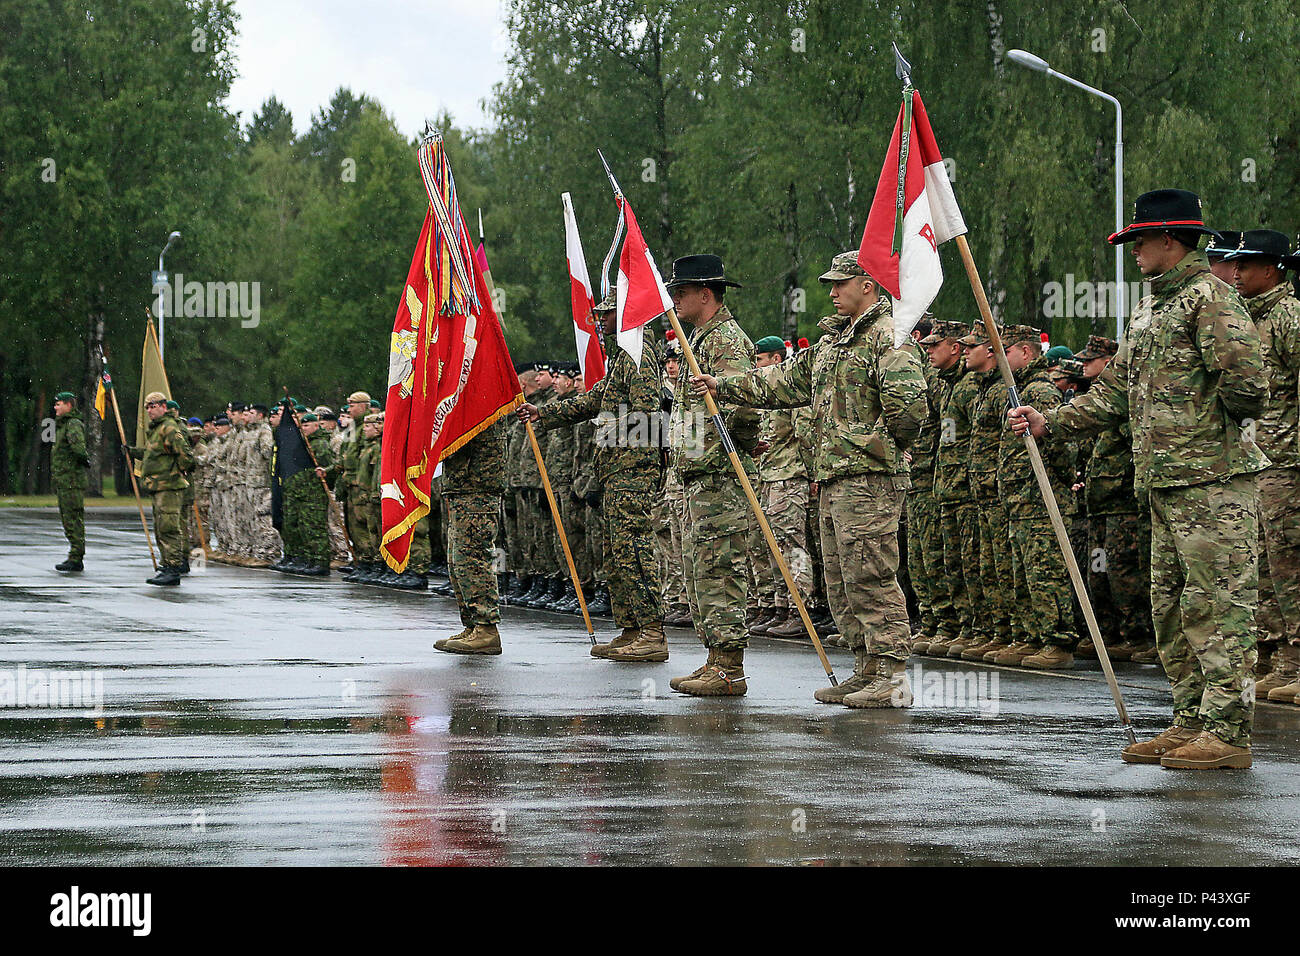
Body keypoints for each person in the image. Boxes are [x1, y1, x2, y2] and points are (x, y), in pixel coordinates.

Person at [1010, 188, 1268, 769]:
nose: (1134, 252)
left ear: (1170, 240)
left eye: (1140, 241)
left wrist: (1204, 433)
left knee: (1219, 605)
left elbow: (1249, 388)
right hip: (1162, 483)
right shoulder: (1152, 309)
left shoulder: (1211, 299)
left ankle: (1229, 734)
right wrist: (1050, 422)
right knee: (1170, 607)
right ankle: (1190, 719)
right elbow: (1114, 393)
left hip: (1212, 483)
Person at [695, 250, 929, 706]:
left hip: (869, 477)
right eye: (831, 284)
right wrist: (720, 384)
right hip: (834, 477)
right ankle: (865, 667)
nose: (833, 292)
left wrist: (875, 445)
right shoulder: (832, 344)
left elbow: (910, 410)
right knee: (842, 579)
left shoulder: (889, 335)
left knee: (872, 575)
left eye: (841, 284)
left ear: (868, 284)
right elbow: (778, 384)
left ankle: (892, 673)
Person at [520, 291, 667, 662]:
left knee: (633, 548)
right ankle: (631, 626)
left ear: (628, 314)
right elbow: (598, 397)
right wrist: (546, 416)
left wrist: (612, 436)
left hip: (632, 468)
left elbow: (646, 416)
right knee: (616, 550)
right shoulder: (622, 358)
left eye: (608, 315)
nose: (600, 322)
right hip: (617, 468)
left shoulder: (639, 354)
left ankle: (652, 631)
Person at [667, 254, 760, 694]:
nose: (674, 300)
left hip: (720, 475)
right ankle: (714, 657)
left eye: (680, 292)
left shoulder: (725, 340)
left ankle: (729, 666)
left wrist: (736, 445)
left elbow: (742, 403)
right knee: (700, 569)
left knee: (720, 568)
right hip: (698, 475)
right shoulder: (699, 339)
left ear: (706, 294)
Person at [1222, 230, 1300, 706]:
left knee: (1290, 563)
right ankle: (1279, 657)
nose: (1235, 272)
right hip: (1259, 459)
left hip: (1289, 460)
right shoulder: (1250, 318)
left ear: (1271, 268)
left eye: (1245, 265)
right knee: (1267, 566)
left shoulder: (1289, 317)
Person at [435, 419, 511, 655]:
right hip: (462, 485)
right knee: (458, 561)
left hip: (477, 487)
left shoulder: (484, 404)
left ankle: (486, 628)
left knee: (473, 559)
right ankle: (472, 625)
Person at [132, 391, 194, 586]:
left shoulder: (169, 428)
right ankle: (166, 564)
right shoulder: (157, 429)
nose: (150, 410)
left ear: (164, 407)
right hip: (158, 486)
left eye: (154, 406)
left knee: (169, 528)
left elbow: (185, 455)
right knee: (161, 528)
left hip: (169, 486)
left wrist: (178, 472)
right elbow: (156, 455)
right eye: (148, 407)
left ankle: (174, 568)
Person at [51, 391, 89, 572]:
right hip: (65, 480)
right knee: (68, 518)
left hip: (71, 480)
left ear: (69, 405)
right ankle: (74, 554)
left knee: (73, 518)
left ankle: (76, 556)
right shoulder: (62, 425)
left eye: (59, 404)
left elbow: (79, 449)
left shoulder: (72, 424)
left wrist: (82, 462)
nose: (55, 407)